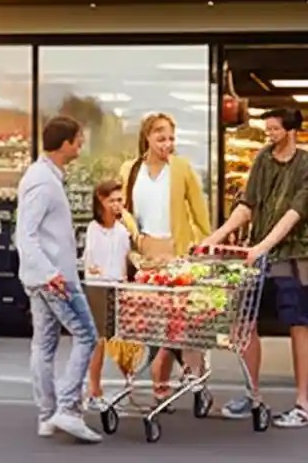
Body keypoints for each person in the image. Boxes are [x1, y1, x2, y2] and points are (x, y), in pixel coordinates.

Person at [201, 107, 308, 429]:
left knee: (298, 324)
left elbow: (294, 214)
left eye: (274, 130)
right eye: (266, 130)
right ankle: (252, 394)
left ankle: (302, 402)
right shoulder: (262, 160)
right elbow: (247, 204)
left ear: (291, 130)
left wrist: (261, 247)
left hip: (293, 257)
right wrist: (217, 236)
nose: (269, 135)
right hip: (258, 257)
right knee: (247, 322)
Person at [16, 115, 102, 443]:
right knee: (86, 335)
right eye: (78, 139)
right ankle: (68, 408)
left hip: (43, 276)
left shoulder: (45, 176)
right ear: (65, 143)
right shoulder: (42, 181)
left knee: (44, 344)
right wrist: (51, 273)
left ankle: (47, 415)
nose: (81, 144)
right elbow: (26, 234)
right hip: (54, 278)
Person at [119, 112, 211, 407]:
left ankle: (190, 378)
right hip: (145, 255)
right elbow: (121, 209)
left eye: (171, 138)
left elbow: (199, 211)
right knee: (154, 322)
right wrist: (135, 237)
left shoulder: (181, 169)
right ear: (147, 137)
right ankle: (164, 382)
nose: (167, 144)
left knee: (181, 322)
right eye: (161, 138)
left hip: (177, 254)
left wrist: (205, 244)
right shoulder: (130, 169)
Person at [82, 179, 134, 408]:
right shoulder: (94, 230)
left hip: (117, 287)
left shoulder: (123, 232)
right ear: (101, 202)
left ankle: (127, 381)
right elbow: (90, 261)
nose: (116, 205)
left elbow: (125, 261)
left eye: (119, 200)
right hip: (98, 287)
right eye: (111, 200)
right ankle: (94, 387)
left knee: (123, 340)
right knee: (98, 341)